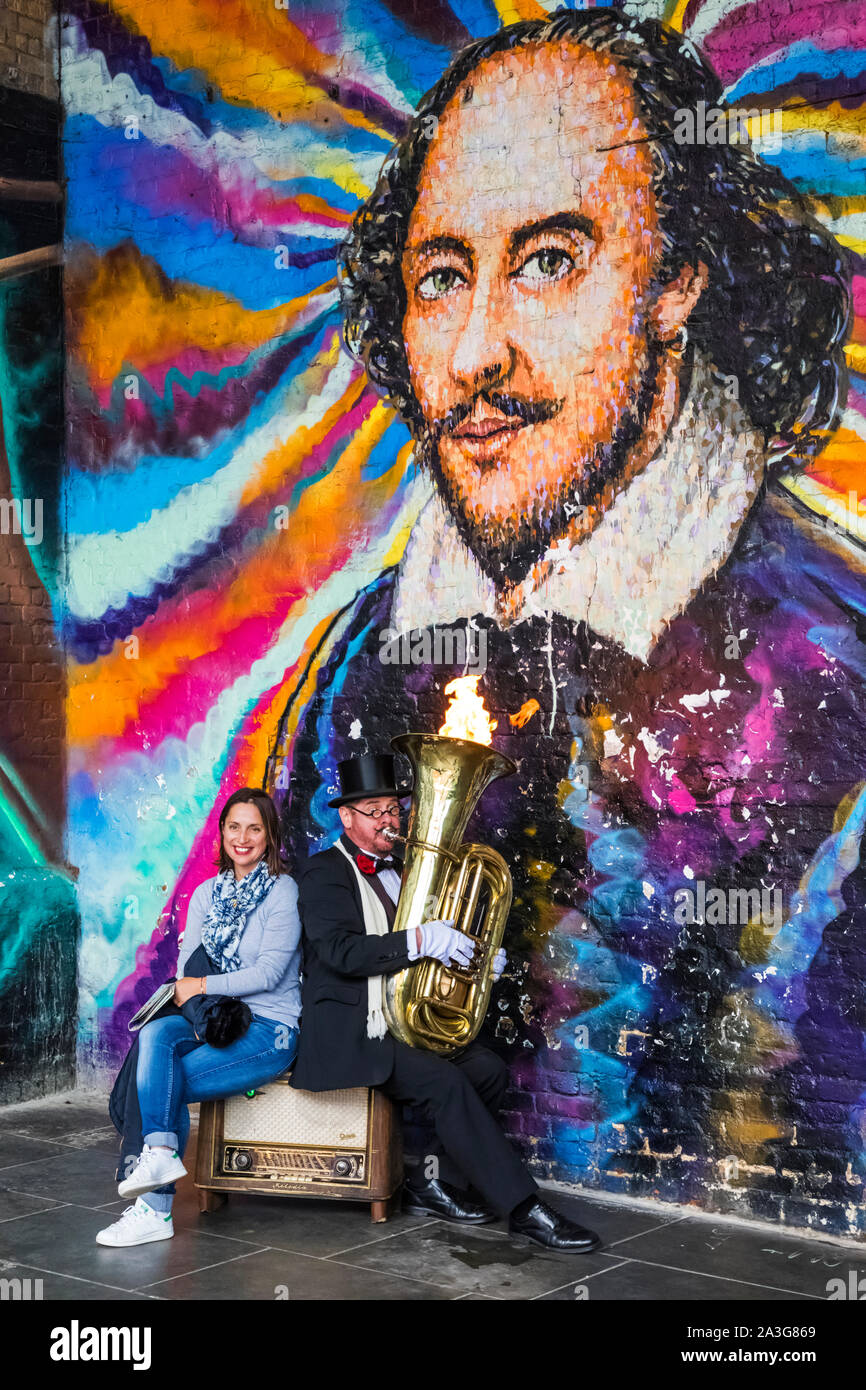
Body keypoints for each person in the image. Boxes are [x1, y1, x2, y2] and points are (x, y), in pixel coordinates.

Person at [271, 10, 866, 1230]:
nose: (475, 349)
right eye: (441, 277)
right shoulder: (351, 662)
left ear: (675, 281)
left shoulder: (835, 659)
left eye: (548, 258)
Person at [291, 751, 601, 1251]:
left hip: (399, 1020)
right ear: (346, 817)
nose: (389, 820)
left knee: (487, 1069)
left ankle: (430, 1182)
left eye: (394, 809)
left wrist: (473, 961)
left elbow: (430, 948)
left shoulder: (407, 868)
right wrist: (420, 941)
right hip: (352, 1032)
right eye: (374, 811)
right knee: (446, 1082)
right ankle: (524, 1209)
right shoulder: (322, 873)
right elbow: (340, 953)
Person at [97, 788, 302, 1246]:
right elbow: (190, 965)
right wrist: (198, 989)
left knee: (165, 1082)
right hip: (215, 1018)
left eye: (254, 828)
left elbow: (268, 974)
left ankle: (155, 1205)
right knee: (156, 1035)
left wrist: (204, 986)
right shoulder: (207, 893)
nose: (243, 838)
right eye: (234, 827)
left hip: (269, 1029)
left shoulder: (283, 891)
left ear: (270, 835)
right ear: (222, 832)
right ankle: (160, 1162)